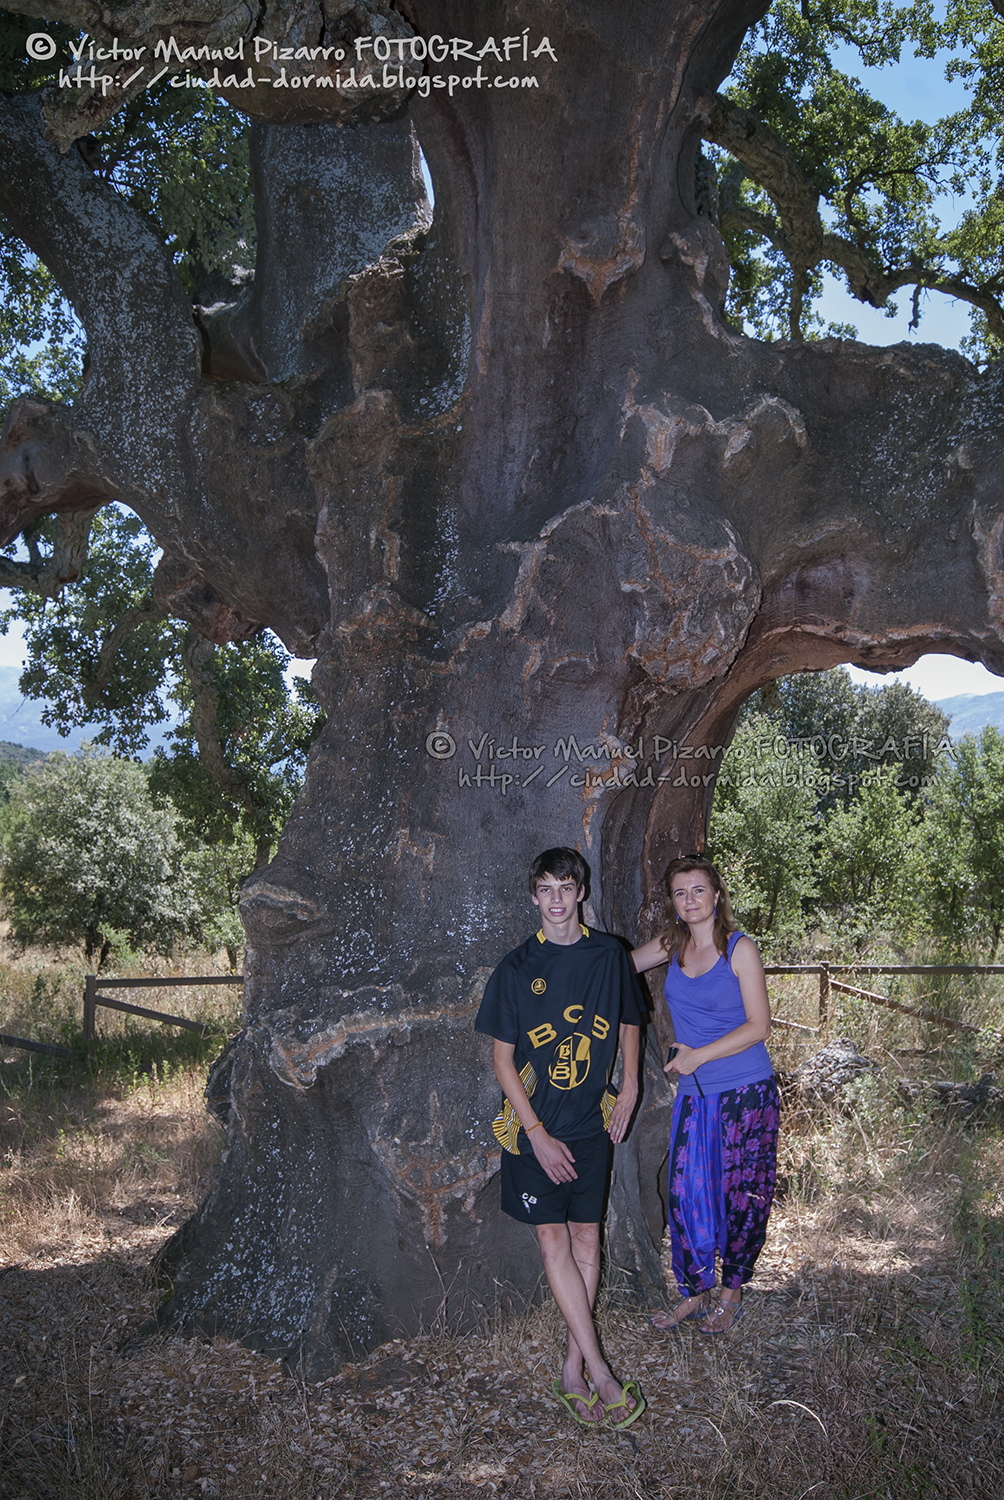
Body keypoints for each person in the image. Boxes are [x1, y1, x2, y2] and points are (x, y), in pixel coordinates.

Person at [475, 847, 646, 1428]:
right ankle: (600, 1372)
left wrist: (628, 1088)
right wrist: (537, 1134)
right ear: (533, 896)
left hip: (590, 1124)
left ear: (581, 892)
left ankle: (572, 1367)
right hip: (532, 1132)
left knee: (588, 1242)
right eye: (544, 888)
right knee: (554, 1244)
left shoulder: (610, 956)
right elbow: (501, 1061)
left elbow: (628, 1020)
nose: (555, 899)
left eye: (565, 888)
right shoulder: (516, 968)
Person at [632, 854, 778, 1335]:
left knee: (741, 1195)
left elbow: (759, 1026)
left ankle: (731, 1295)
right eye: (680, 892)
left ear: (716, 896)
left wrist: (699, 1055)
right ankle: (694, 1294)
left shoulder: (739, 948)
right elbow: (622, 964)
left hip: (746, 1094)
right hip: (695, 1096)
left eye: (698, 890)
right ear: (672, 903)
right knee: (686, 1196)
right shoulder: (671, 947)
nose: (690, 900)